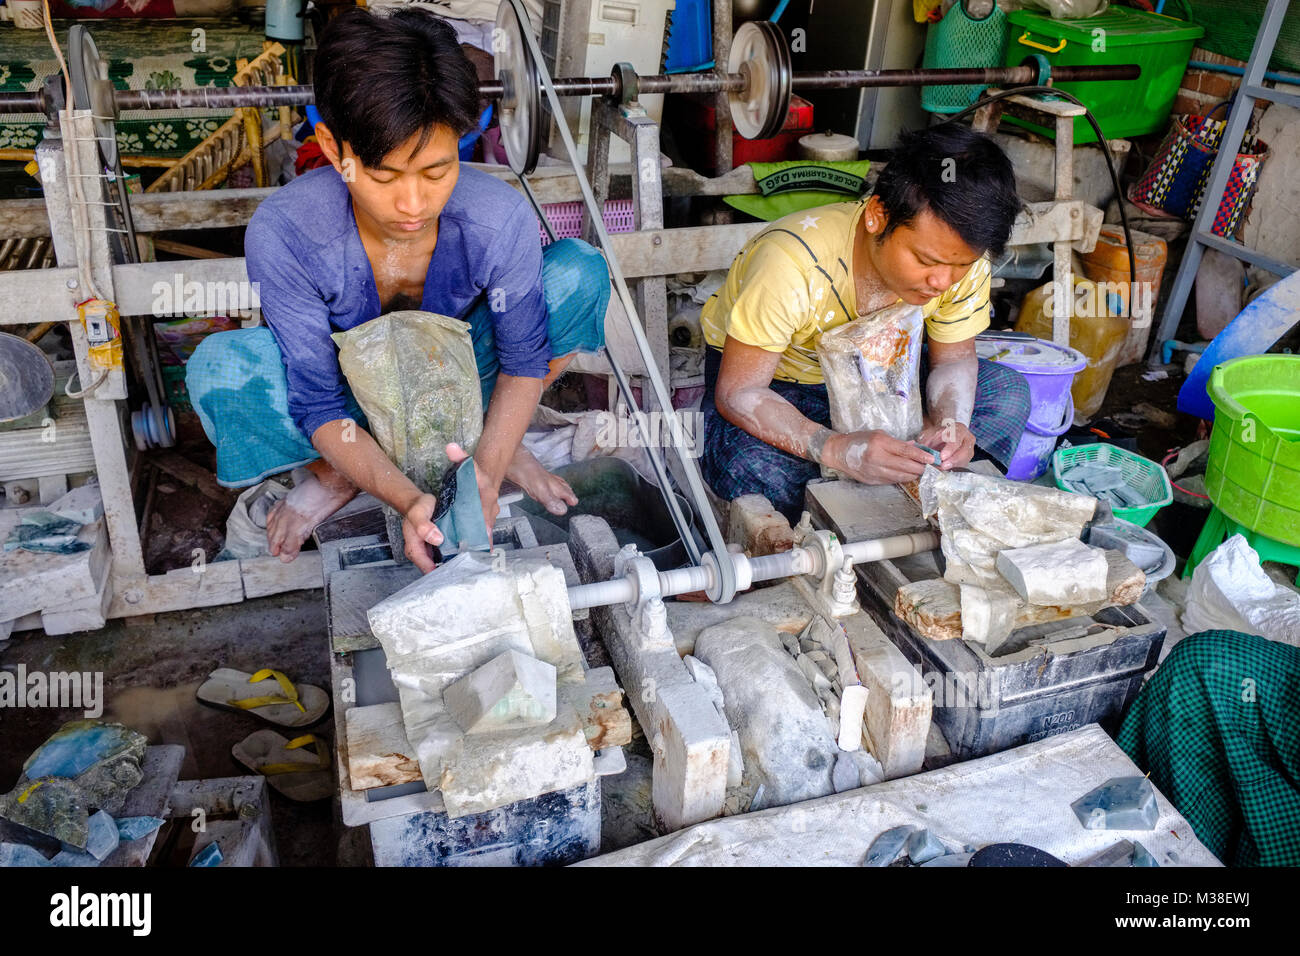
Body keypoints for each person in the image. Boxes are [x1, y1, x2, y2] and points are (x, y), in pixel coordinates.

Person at [187, 8, 610, 571]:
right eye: (385, 177)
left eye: (437, 172)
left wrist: (487, 468)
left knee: (579, 270)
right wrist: (410, 502)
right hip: (351, 404)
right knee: (220, 368)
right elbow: (316, 400)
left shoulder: (497, 218)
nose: (414, 205)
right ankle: (335, 474)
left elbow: (523, 360)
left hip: (457, 384)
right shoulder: (286, 230)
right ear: (334, 149)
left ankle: (486, 444)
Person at [699, 123, 1031, 521]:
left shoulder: (963, 262)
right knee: (747, 464)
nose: (941, 281)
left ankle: (910, 491)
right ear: (877, 216)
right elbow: (740, 392)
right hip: (787, 388)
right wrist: (839, 450)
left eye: (960, 265)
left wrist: (948, 424)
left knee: (1009, 394)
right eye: (926, 261)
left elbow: (955, 360)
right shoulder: (791, 262)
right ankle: (852, 519)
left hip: (894, 379)